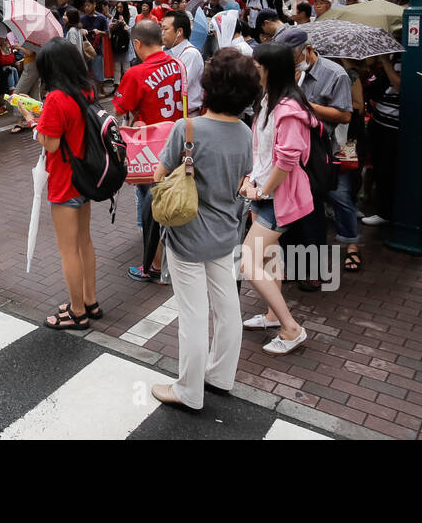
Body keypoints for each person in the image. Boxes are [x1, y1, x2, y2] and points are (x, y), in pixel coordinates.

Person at [151, 50, 258, 409]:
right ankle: (220, 376)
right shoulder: (244, 132)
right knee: (227, 308)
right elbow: (242, 178)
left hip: (187, 235)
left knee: (193, 315)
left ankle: (188, 391)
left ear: (210, 86)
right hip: (226, 232)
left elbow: (159, 175)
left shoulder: (189, 128)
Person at [239, 42, 315, 355]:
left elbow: (287, 160)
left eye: (256, 65)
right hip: (264, 191)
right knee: (270, 256)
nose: (251, 69)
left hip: (276, 197)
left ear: (269, 68)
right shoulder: (269, 100)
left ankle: (291, 328)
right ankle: (273, 317)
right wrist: (251, 179)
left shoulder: (288, 109)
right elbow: (265, 153)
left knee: (247, 260)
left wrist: (263, 189)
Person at [274, 28, 357, 277]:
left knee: (313, 210)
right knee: (289, 212)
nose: (290, 63)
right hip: (289, 151)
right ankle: (290, 266)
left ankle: (313, 270)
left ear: (308, 50)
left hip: (321, 153)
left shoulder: (334, 74)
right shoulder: (284, 72)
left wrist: (304, 105)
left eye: (293, 57)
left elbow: (344, 114)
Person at [30, 37, 99, 330]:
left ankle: (77, 311)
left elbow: (52, 144)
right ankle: (90, 301)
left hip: (64, 180)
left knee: (67, 249)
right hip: (85, 177)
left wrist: (34, 122)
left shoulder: (57, 98)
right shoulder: (86, 90)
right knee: (84, 242)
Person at [114, 19, 185, 284]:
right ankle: (171, 257)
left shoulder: (136, 73)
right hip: (177, 141)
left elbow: (120, 107)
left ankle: (154, 265)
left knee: (151, 206)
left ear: (137, 43)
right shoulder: (178, 65)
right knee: (172, 199)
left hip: (151, 147)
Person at [360, 53, 402, 226]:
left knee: (387, 169)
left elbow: (399, 86)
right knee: (379, 167)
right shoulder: (392, 57)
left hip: (393, 125)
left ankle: (386, 212)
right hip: (380, 119)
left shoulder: (401, 58)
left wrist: (385, 61)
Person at [161, 9, 205, 117]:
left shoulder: (191, 54)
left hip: (187, 117)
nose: (162, 33)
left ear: (179, 32)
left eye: (165, 29)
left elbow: (177, 87)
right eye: (161, 28)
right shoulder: (163, 50)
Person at [10, 44, 41, 134]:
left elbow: (30, 52)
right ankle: (38, 119)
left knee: (18, 93)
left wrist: (18, 47)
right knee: (35, 93)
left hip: (31, 66)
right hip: (35, 65)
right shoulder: (36, 36)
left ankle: (19, 122)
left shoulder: (32, 35)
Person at [79, 0, 109, 88]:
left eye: (89, 5)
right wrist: (81, 30)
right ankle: (89, 92)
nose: (87, 8)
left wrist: (99, 32)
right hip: (85, 49)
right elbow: (77, 30)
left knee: (98, 73)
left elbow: (107, 33)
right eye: (85, 6)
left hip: (97, 49)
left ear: (94, 5)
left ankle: (99, 92)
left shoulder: (101, 18)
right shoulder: (82, 18)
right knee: (85, 72)